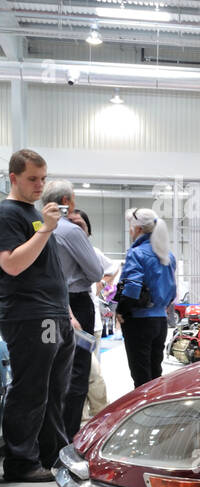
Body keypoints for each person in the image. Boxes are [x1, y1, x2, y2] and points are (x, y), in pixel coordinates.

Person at [0, 149, 74, 482]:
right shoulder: (7, 214)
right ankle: (20, 462)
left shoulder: (36, 215)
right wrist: (44, 230)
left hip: (53, 313)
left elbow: (49, 269)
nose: (40, 185)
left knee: (55, 389)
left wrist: (66, 310)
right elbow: (12, 264)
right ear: (13, 178)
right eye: (32, 179)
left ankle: (52, 454)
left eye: (43, 179)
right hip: (30, 314)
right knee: (31, 389)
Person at [47, 187, 102, 438]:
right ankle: (67, 438)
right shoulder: (71, 231)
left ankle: (48, 437)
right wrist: (84, 236)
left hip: (47, 303)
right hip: (76, 304)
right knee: (78, 370)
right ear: (67, 201)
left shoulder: (38, 226)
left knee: (50, 370)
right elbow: (96, 272)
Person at [117, 207, 177, 388]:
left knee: (141, 376)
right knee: (155, 374)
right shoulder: (168, 255)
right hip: (160, 321)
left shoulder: (136, 253)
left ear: (138, 229)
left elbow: (132, 287)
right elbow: (173, 291)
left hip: (139, 321)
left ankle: (143, 412)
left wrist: (121, 310)